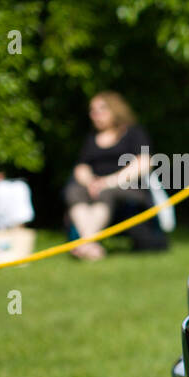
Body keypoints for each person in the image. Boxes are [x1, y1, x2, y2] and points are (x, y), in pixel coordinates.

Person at [63, 91, 152, 260]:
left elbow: (144, 162)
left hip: (127, 188)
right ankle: (89, 245)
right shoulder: (91, 138)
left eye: (101, 109)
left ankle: (84, 243)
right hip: (95, 187)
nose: (95, 114)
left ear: (115, 110)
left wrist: (108, 182)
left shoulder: (133, 133)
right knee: (73, 191)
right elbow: (81, 167)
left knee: (106, 192)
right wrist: (91, 182)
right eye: (92, 110)